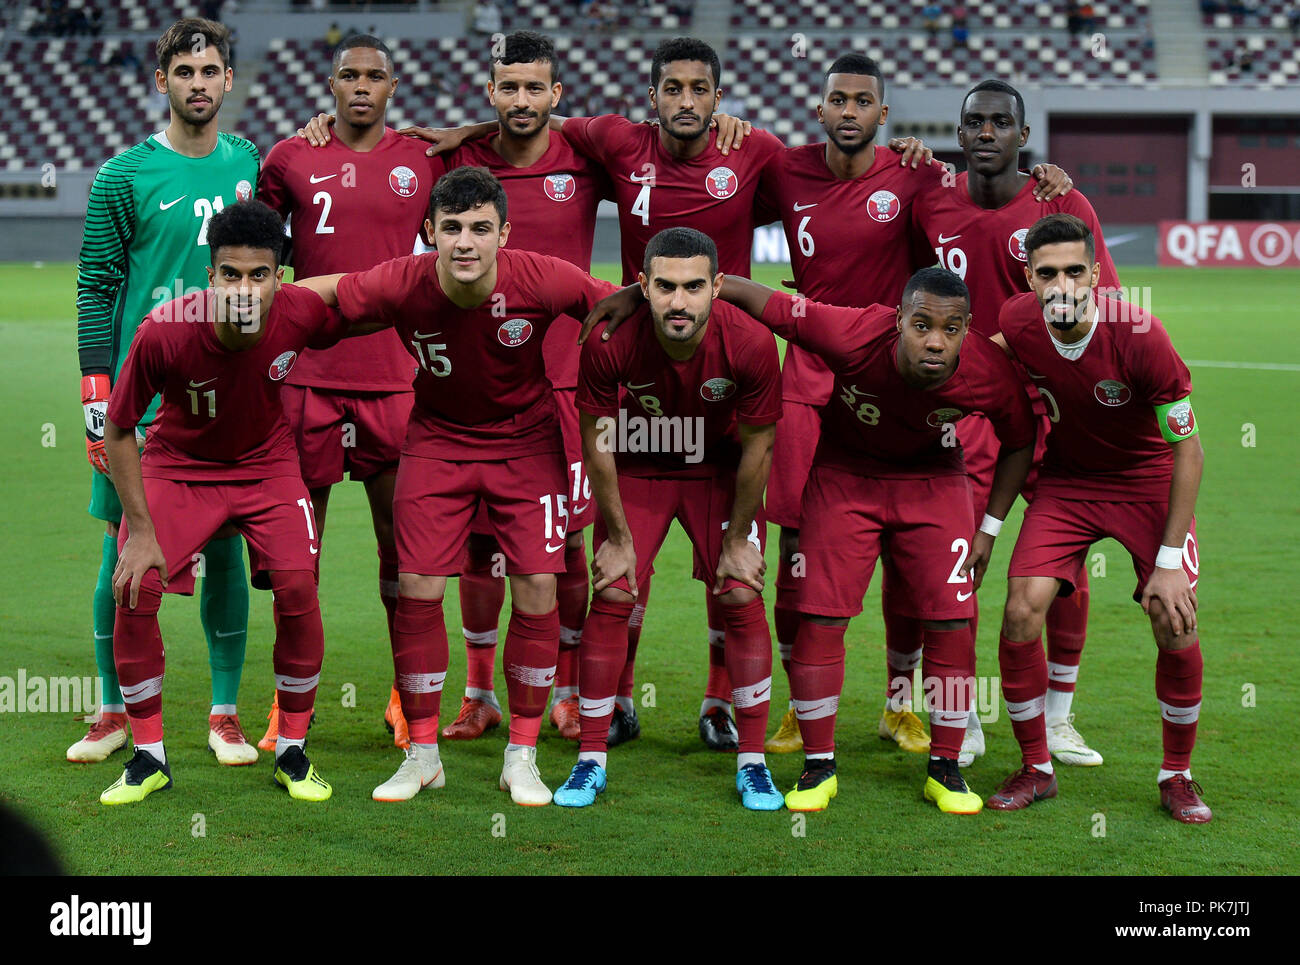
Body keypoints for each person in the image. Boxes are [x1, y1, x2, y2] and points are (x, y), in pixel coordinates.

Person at [587, 265, 1034, 813]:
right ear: (898, 321)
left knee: (951, 621)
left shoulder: (989, 371)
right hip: (845, 479)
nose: (934, 341)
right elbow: (761, 300)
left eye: (951, 328)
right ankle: (819, 765)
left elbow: (1020, 439)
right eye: (921, 325)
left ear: (968, 330)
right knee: (820, 616)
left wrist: (989, 527)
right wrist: (640, 294)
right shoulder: (848, 332)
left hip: (935, 482)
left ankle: (945, 767)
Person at [293, 31, 614, 746]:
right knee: (472, 550)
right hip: (472, 383)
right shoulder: (457, 158)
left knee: (560, 555)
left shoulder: (589, 158)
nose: (521, 101)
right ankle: (475, 692)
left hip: (561, 387)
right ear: (489, 91)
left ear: (556, 95)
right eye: (508, 88)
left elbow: (660, 155)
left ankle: (564, 693)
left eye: (536, 89)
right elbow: (371, 156)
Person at [755, 62, 1071, 758]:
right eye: (837, 98)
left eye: (862, 101)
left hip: (897, 376)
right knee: (795, 544)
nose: (848, 110)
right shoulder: (784, 169)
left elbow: (988, 199)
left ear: (884, 113)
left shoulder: (918, 176)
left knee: (910, 552)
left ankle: (901, 702)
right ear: (818, 107)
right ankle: (794, 702)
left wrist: (1048, 179)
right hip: (812, 375)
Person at [101, 200, 347, 804]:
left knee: (298, 588)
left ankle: (291, 750)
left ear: (279, 278)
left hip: (266, 467)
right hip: (180, 468)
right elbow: (120, 427)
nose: (243, 288)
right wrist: (138, 528)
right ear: (209, 275)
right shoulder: (164, 331)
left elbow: (369, 291)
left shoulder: (300, 313)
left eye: (258, 275)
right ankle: (148, 756)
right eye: (230, 274)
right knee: (135, 586)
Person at [912, 78, 1117, 768]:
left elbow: (1104, 305)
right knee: (955, 563)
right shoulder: (930, 201)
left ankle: (1058, 718)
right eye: (976, 122)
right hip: (972, 411)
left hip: (1055, 412)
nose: (989, 132)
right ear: (960, 133)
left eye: (1003, 122)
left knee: (1067, 568)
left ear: (1024, 136)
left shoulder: (1061, 202)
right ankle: (962, 714)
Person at [74, 18, 260, 768]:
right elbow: (95, 288)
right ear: (162, 82)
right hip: (139, 402)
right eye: (184, 71)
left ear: (227, 80)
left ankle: (223, 714)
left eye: (211, 70)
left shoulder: (249, 160)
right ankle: (112, 708)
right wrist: (96, 398)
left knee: (225, 544)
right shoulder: (123, 175)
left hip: (220, 395)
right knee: (120, 548)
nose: (198, 83)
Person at [983, 214, 1210, 824]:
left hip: (1147, 485)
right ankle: (1036, 767)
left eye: (1075, 271)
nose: (1062, 285)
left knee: (1174, 619)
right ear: (1029, 277)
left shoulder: (1141, 335)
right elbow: (987, 361)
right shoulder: (1017, 321)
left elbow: (1188, 449)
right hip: (1068, 484)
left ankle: (1177, 775)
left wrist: (1167, 564)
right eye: (1048, 273)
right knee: (1021, 608)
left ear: (1096, 274)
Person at [254, 34, 446, 752]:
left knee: (403, 554)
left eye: (375, 75)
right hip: (306, 378)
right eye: (348, 75)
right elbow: (254, 248)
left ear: (393, 86)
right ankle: (289, 708)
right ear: (329, 83)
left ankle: (405, 696)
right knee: (295, 559)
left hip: (396, 376)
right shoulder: (289, 157)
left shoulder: (425, 158)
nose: (361, 85)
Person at [556, 227, 783, 810]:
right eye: (664, 287)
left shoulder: (753, 343)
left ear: (718, 288)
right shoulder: (609, 340)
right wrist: (618, 539)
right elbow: (598, 442)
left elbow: (759, 448)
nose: (678, 302)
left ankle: (752, 762)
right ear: (643, 286)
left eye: (692, 288)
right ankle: (590, 759)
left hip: (718, 469)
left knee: (739, 590)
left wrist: (737, 539)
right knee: (613, 588)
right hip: (638, 466)